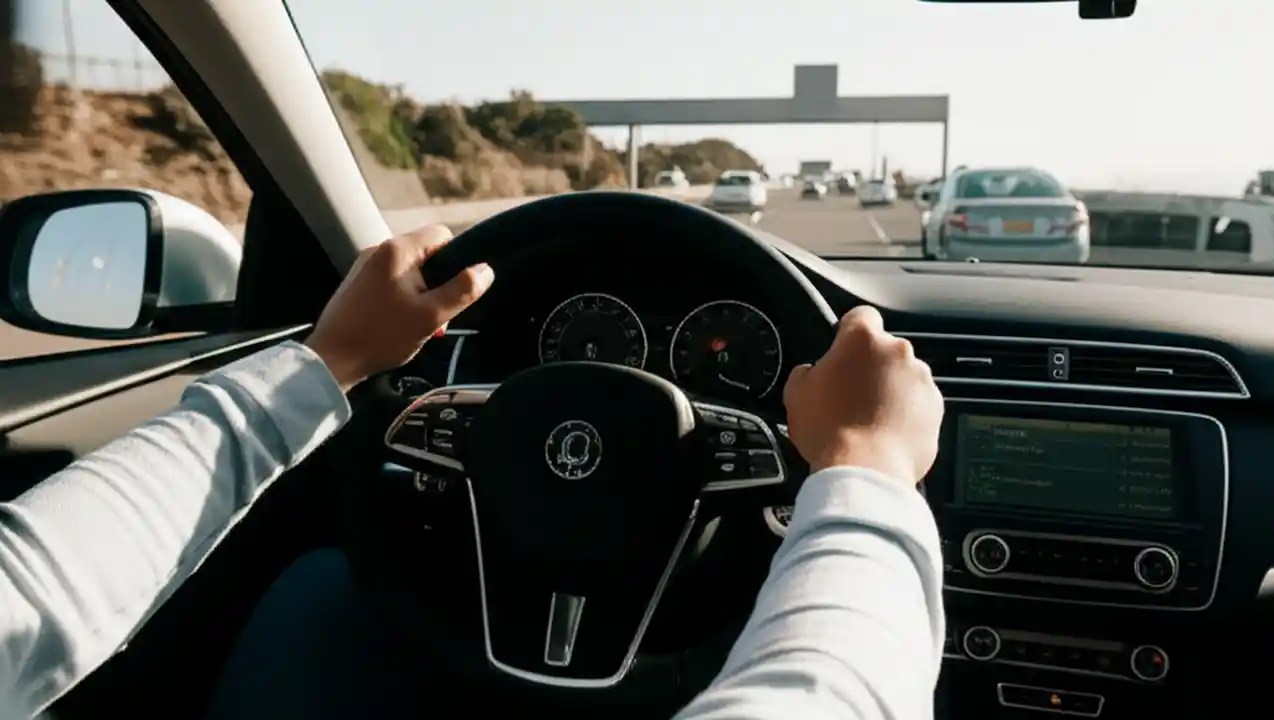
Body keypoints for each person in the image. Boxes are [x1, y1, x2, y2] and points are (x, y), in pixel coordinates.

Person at [0, 225, 945, 720]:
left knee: (316, 602)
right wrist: (866, 468)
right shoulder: (864, 466)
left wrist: (332, 361)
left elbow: (28, 602)